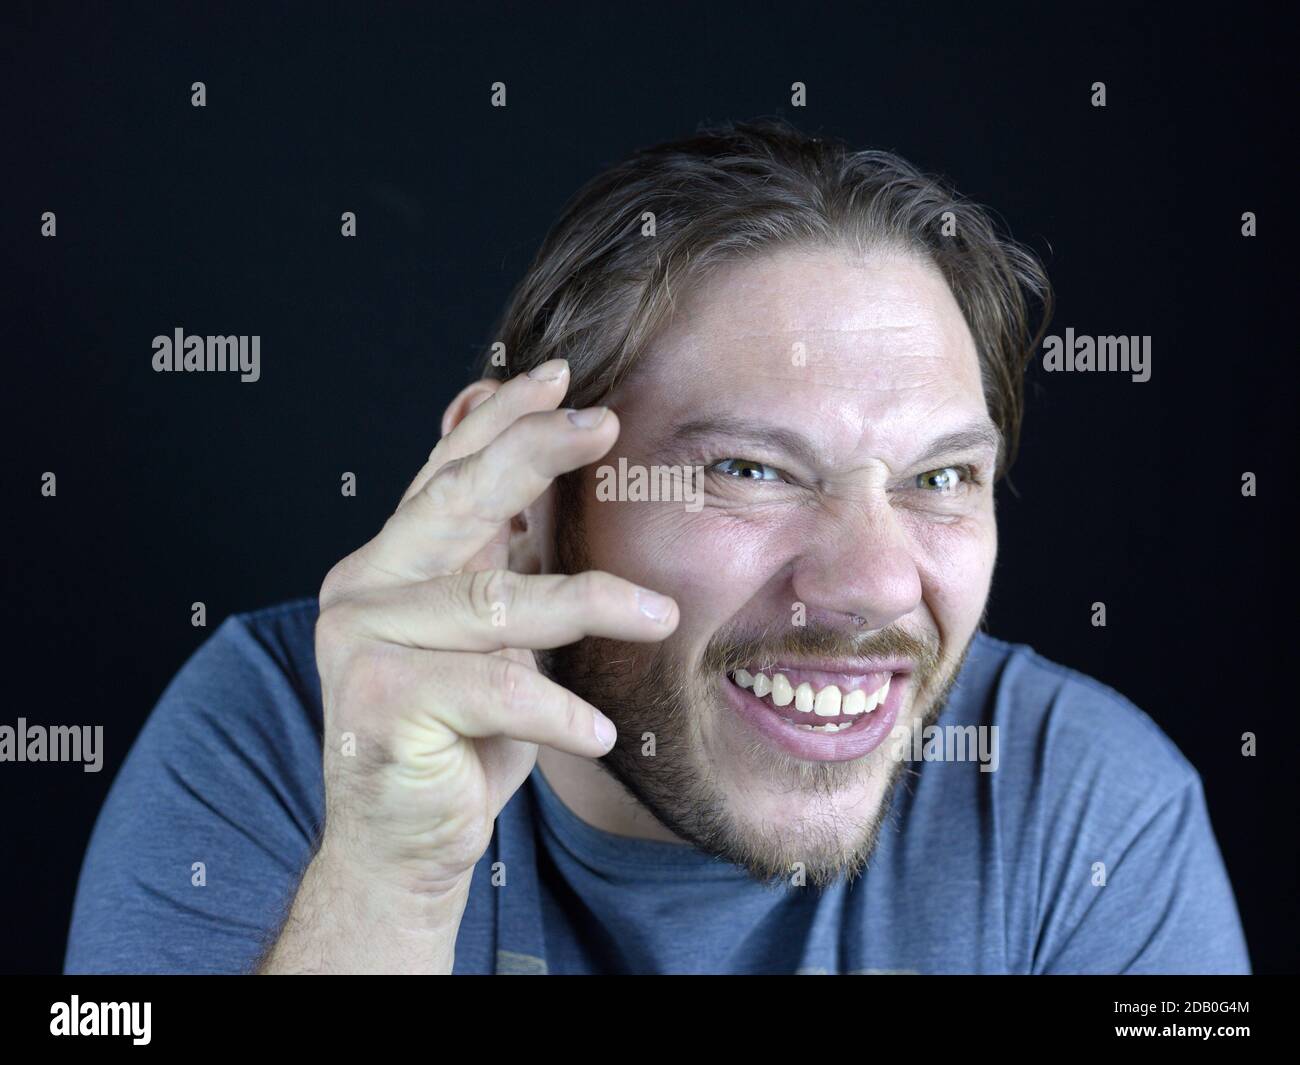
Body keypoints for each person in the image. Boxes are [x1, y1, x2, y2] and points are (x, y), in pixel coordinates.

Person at [64, 119, 1250, 974]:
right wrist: (389, 882)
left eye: (939, 478)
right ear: (523, 492)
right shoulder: (281, 734)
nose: (877, 583)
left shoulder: (1089, 809)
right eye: (748, 470)